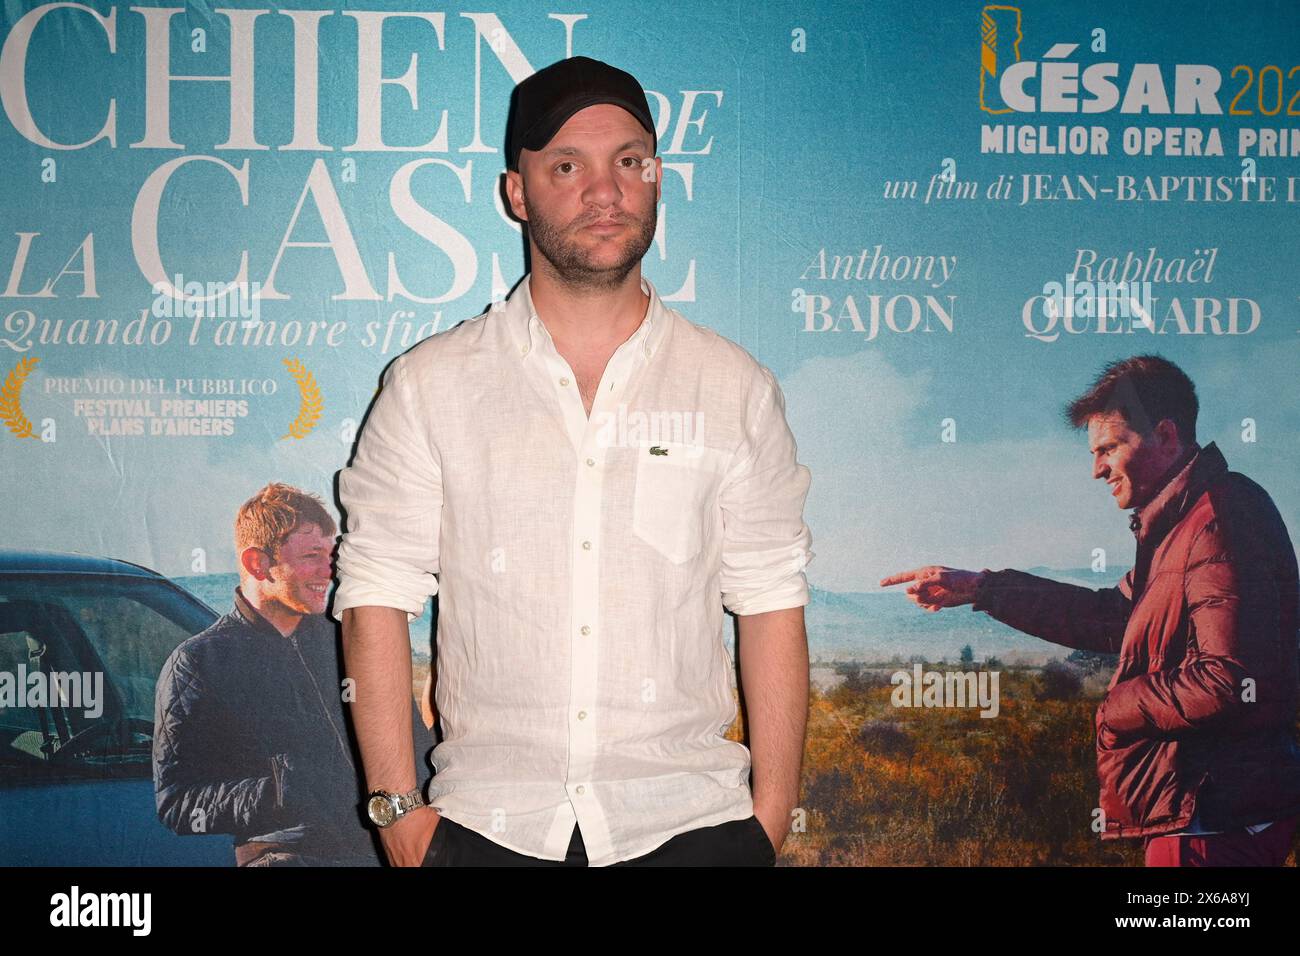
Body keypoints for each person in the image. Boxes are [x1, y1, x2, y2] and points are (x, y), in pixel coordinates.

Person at [332, 56, 814, 867]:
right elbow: (376, 592)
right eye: (567, 165)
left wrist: (768, 820)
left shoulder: (734, 389)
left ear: (657, 179)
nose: (606, 191)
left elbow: (770, 597)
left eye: (630, 161)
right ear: (516, 193)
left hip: (692, 826)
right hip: (486, 827)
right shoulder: (429, 387)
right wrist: (397, 814)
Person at [881, 355, 1300, 866]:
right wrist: (981, 588)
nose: (1097, 469)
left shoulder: (1219, 518)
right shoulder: (1182, 525)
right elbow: (1111, 616)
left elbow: (1229, 679)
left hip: (1210, 818)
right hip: (1205, 810)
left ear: (1165, 435)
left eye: (1109, 448)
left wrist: (1117, 707)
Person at [153, 482, 434, 866]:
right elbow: (177, 802)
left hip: (383, 850)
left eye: (331, 554)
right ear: (258, 563)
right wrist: (280, 790)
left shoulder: (349, 643)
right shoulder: (200, 663)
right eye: (312, 555)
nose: (328, 569)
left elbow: (413, 746)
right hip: (284, 856)